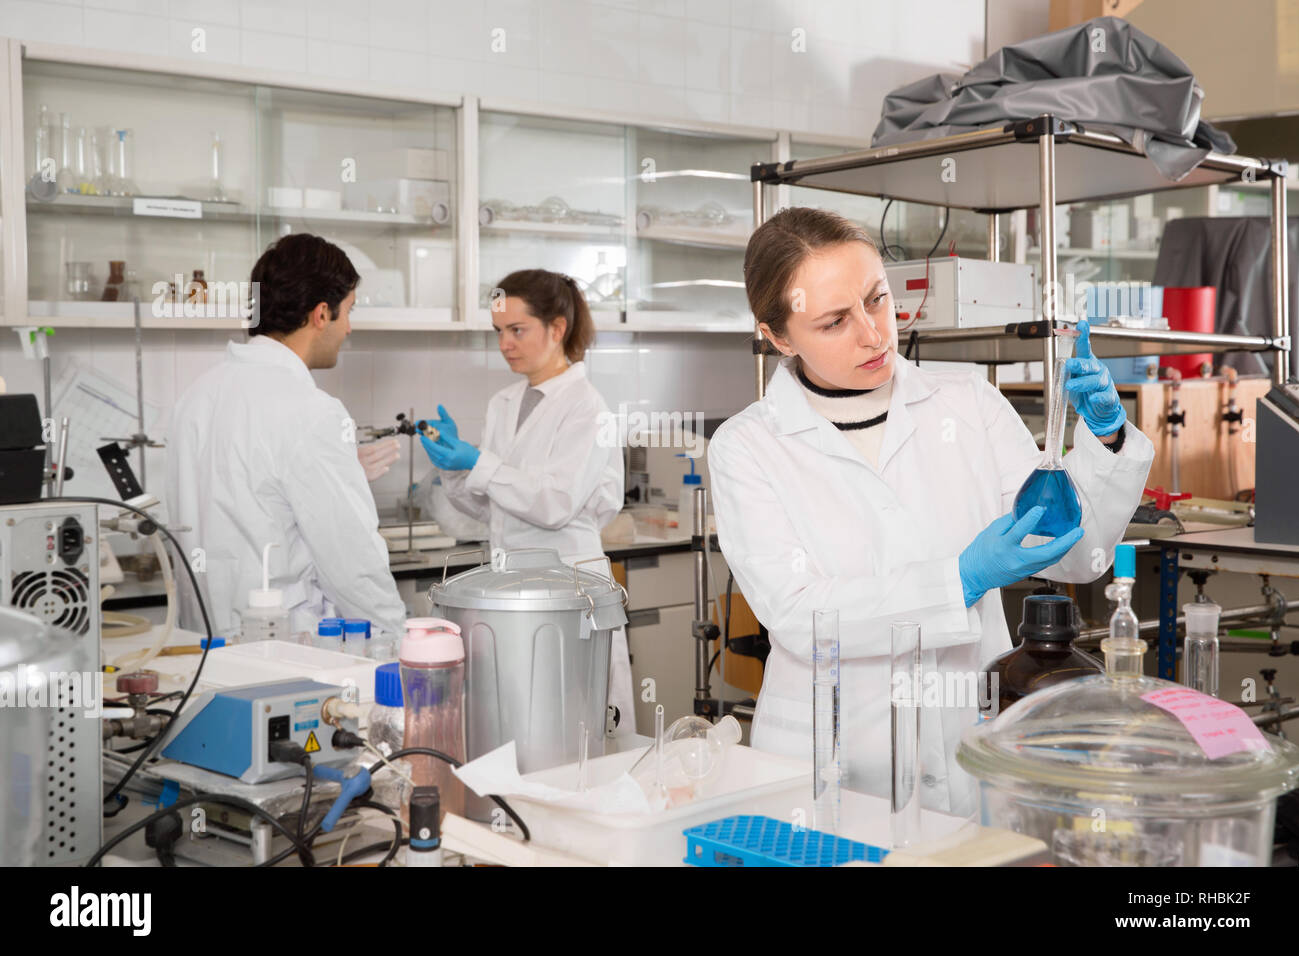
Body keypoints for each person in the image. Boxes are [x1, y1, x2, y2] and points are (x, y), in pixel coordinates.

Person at [707, 207, 1154, 816]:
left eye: (878, 299)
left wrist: (1104, 440)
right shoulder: (747, 445)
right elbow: (798, 614)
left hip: (970, 736)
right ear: (779, 336)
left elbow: (1075, 556)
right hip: (837, 758)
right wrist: (959, 580)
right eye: (835, 321)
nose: (873, 333)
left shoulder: (966, 402)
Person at [416, 269, 634, 736]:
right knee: (516, 728)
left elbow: (555, 503)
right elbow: (489, 508)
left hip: (572, 591)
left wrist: (480, 462)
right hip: (508, 593)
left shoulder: (588, 408)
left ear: (557, 329)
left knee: (581, 732)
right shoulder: (503, 403)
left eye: (517, 330)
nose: (505, 344)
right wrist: (455, 469)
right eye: (499, 332)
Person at [165, 233, 406, 639]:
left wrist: (339, 472)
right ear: (321, 314)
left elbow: (244, 501)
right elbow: (353, 565)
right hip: (288, 654)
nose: (349, 329)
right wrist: (402, 646)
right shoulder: (311, 411)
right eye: (348, 312)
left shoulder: (195, 397)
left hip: (205, 650)